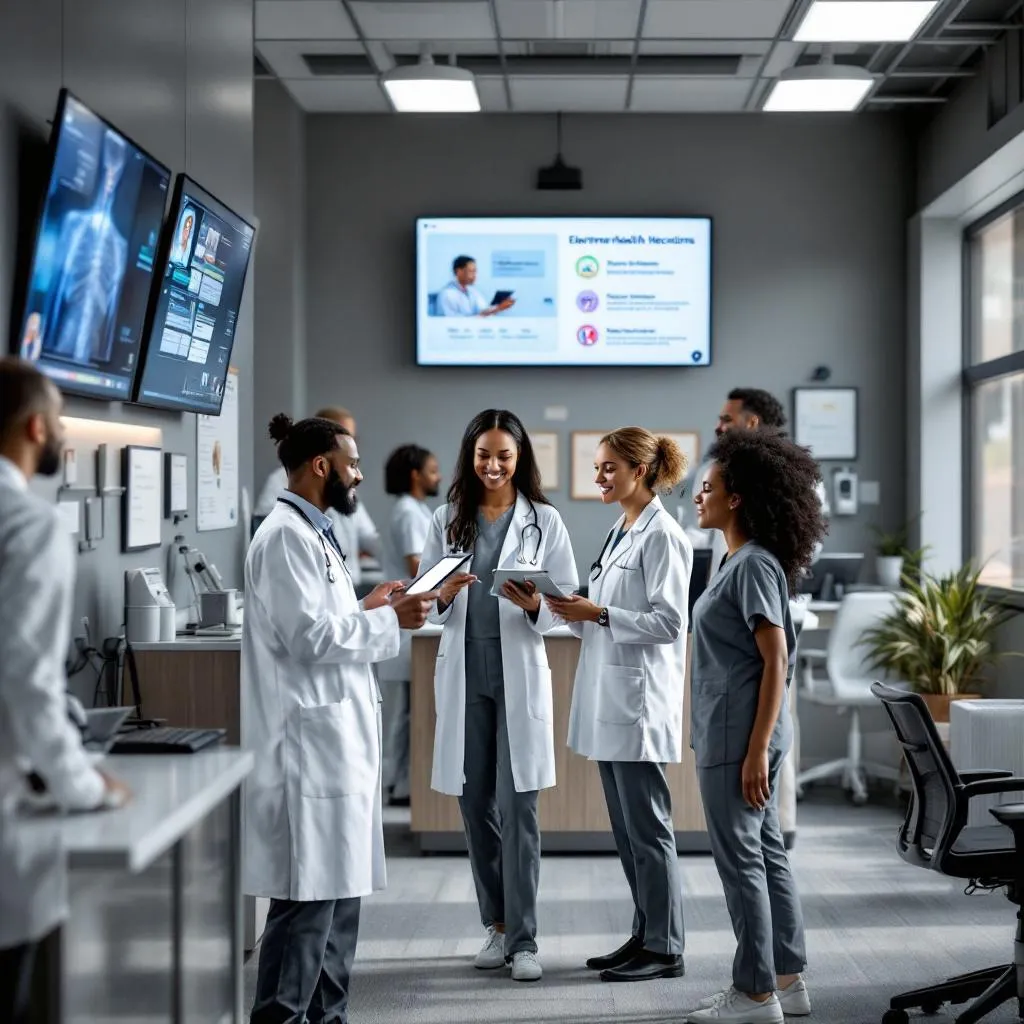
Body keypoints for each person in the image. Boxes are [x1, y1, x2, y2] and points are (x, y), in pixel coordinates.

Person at [243, 414, 436, 1024]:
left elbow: (324, 617)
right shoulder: (283, 537)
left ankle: (330, 1016)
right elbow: (307, 637)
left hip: (337, 742)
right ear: (321, 465)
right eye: (351, 463)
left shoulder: (315, 531)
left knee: (339, 903)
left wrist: (369, 604)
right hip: (309, 747)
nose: (357, 474)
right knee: (308, 905)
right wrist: (390, 620)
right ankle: (283, 1017)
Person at [419, 410, 577, 982]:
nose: (492, 465)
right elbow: (426, 599)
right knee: (473, 801)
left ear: (519, 460)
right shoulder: (446, 519)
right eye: (483, 455)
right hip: (465, 670)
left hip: (518, 672)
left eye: (503, 456)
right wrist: (440, 593)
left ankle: (526, 940)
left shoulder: (545, 521)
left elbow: (564, 604)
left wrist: (537, 605)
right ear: (470, 457)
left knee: (519, 807)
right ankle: (499, 925)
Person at [0, 358, 129, 1023]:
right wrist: (83, 784)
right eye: (57, 424)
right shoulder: (31, 524)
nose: (63, 439)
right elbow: (27, 680)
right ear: (34, 426)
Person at [684, 428, 826, 1024]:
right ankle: (787, 979)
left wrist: (755, 748)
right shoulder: (742, 561)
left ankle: (755, 992)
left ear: (736, 497)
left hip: (738, 737)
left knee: (741, 860)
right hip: (739, 730)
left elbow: (777, 659)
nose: (699, 498)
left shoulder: (753, 566)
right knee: (765, 855)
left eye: (708, 489)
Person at [545, 428, 692, 983]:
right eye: (598, 467)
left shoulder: (664, 537)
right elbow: (603, 617)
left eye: (609, 468)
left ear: (641, 471)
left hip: (639, 703)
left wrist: (599, 615)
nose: (599, 477)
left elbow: (670, 623)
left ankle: (666, 947)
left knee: (649, 830)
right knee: (630, 833)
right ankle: (646, 934)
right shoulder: (620, 530)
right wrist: (561, 609)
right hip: (611, 699)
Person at [682, 389, 829, 573]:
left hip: (769, 584)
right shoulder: (711, 472)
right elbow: (701, 533)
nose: (718, 427)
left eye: (727, 420)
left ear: (751, 422)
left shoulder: (796, 475)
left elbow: (810, 546)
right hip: (722, 586)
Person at [254, 406, 382, 589]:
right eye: (343, 435)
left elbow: (369, 536)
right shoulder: (284, 532)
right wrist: (387, 615)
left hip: (343, 584)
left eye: (351, 436)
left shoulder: (341, 491)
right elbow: (304, 618)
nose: (349, 441)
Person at [379, 443, 442, 805]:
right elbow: (418, 566)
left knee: (408, 707)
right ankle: (400, 783)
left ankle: (401, 781)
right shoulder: (407, 511)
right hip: (405, 619)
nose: (439, 477)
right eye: (433, 470)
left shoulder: (418, 510)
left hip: (413, 617)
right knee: (406, 708)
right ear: (416, 474)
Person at [436, 256, 516, 317]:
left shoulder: (473, 292)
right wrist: (497, 308)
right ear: (458, 272)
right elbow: (456, 323)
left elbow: (483, 311)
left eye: (475, 272)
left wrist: (499, 307)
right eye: (471, 271)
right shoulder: (447, 294)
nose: (474, 275)